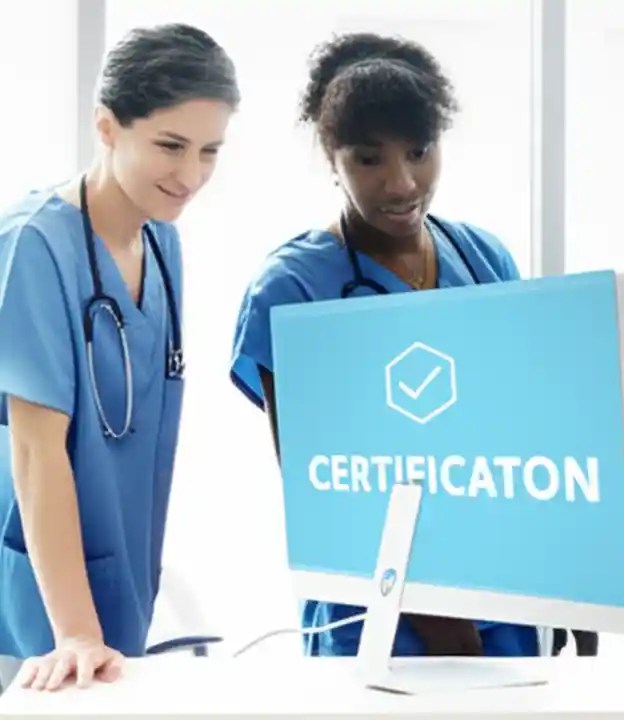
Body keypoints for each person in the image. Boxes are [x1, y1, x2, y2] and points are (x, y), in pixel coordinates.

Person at [227, 32, 539, 658]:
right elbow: (324, 491)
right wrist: (445, 627)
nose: (402, 184)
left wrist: (567, 593)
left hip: (504, 600)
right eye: (370, 159)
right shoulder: (295, 289)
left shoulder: (483, 260)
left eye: (419, 152)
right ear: (330, 153)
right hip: (376, 618)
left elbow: (528, 447)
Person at [0, 24, 239, 689]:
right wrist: (75, 629)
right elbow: (35, 451)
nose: (191, 175)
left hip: (123, 587)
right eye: (170, 145)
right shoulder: (34, 246)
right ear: (107, 126)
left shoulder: (163, 244)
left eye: (210, 151)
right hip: (39, 621)